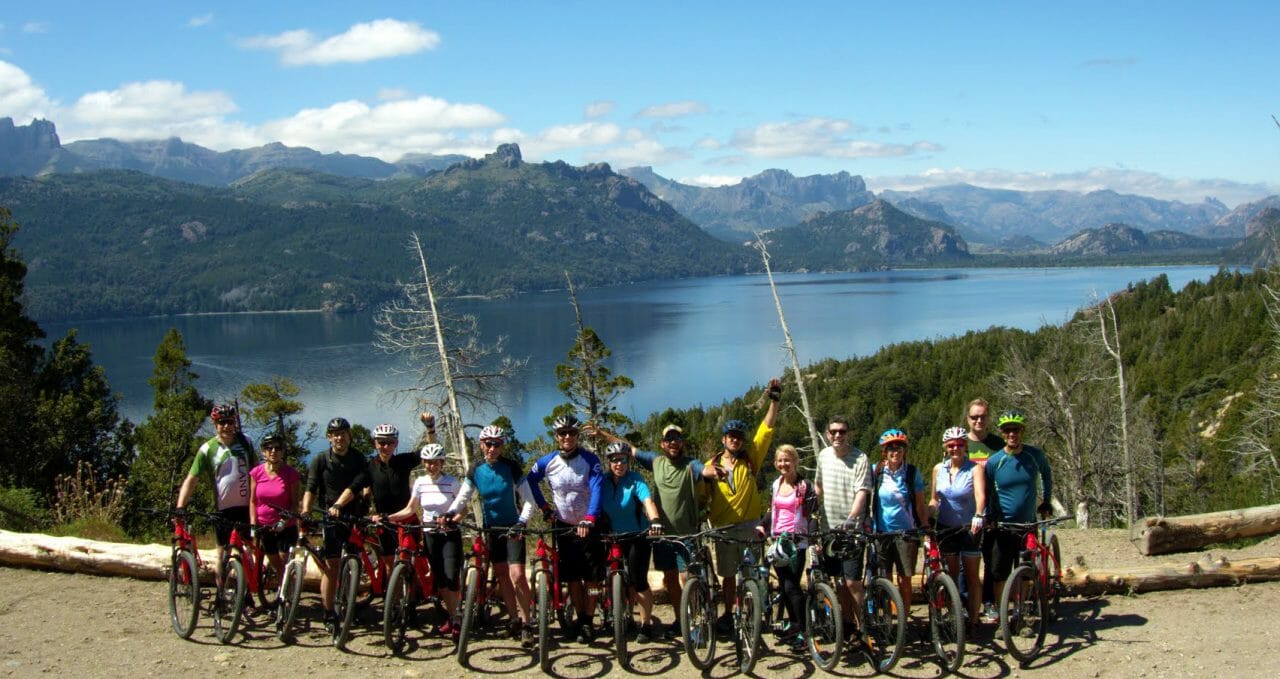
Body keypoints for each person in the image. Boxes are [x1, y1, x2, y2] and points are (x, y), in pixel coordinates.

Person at [586, 421, 712, 639]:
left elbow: (647, 500)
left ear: (682, 443)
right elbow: (626, 447)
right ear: (663, 444)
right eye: (669, 439)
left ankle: (690, 620)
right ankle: (678, 620)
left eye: (677, 439)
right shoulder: (656, 461)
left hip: (678, 533)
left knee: (684, 578)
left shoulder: (690, 464)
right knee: (669, 578)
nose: (673, 442)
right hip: (653, 536)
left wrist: (654, 519)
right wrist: (602, 434)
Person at [450, 424, 538, 647]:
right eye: (488, 444)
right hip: (491, 529)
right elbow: (464, 496)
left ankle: (528, 623)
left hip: (512, 526)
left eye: (497, 444)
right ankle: (514, 620)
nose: (492, 448)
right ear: (481, 444)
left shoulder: (511, 467)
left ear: (502, 446)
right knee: (501, 574)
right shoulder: (476, 469)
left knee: (517, 574)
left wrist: (521, 522)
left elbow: (529, 499)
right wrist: (450, 513)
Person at [705, 377, 782, 632]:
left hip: (749, 527)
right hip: (724, 528)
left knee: (751, 573)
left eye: (739, 437)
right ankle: (728, 613)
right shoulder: (710, 465)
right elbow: (699, 493)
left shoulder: (751, 459)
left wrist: (774, 401)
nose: (735, 440)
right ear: (724, 439)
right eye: (731, 436)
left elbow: (765, 430)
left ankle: (751, 613)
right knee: (727, 576)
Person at [526, 413, 606, 643]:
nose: (568, 436)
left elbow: (597, 489)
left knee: (591, 578)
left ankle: (589, 620)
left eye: (572, 432)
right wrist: (544, 508)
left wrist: (590, 518)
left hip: (589, 526)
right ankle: (580, 618)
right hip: (563, 526)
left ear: (577, 435)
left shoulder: (590, 460)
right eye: (563, 433)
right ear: (557, 437)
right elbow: (530, 480)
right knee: (572, 577)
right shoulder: (547, 462)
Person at [175, 404, 258, 588]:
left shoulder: (246, 442)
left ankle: (248, 594)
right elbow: (191, 479)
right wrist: (180, 507)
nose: (227, 426)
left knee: (247, 550)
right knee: (221, 552)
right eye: (222, 423)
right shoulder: (207, 449)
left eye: (230, 422)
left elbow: (257, 471)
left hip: (246, 507)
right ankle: (221, 592)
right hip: (223, 509)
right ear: (215, 424)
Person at [300, 416, 370, 631]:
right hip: (330, 516)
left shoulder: (358, 458)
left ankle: (349, 605)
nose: (339, 438)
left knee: (353, 564)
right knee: (331, 567)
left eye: (343, 433)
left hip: (353, 516)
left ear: (349, 436)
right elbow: (311, 487)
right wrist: (305, 511)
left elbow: (362, 483)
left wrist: (365, 503)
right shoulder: (321, 459)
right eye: (335, 434)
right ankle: (329, 612)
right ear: (329, 437)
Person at [388, 443, 464, 638]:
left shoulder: (452, 482)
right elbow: (411, 509)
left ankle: (457, 619)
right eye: (428, 463)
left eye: (436, 462)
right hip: (429, 534)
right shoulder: (420, 483)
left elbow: (463, 509)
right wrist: (389, 517)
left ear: (442, 462)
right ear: (423, 463)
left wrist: (451, 520)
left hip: (450, 534)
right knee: (440, 579)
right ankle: (452, 617)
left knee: (451, 576)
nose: (432, 466)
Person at [985, 410, 1054, 616]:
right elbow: (987, 491)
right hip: (1003, 525)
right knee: (1000, 573)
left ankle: (1021, 611)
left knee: (1025, 571)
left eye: (1015, 430)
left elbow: (1046, 475)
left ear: (1022, 431)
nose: (1012, 434)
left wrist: (1047, 500)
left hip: (1027, 524)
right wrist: (989, 515)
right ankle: (1002, 615)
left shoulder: (1034, 455)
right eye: (1007, 430)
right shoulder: (994, 461)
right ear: (1003, 434)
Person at [597, 442, 664, 643]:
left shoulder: (636, 479)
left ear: (628, 462)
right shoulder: (602, 481)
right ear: (609, 462)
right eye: (615, 460)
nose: (619, 464)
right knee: (605, 576)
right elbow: (593, 503)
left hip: (637, 536)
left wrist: (655, 521)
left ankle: (646, 625)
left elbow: (647, 502)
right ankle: (614, 613)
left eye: (623, 460)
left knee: (638, 580)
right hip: (611, 537)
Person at [813, 415, 872, 639]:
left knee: (852, 582)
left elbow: (862, 492)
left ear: (849, 434)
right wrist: (809, 507)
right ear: (828, 434)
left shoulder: (860, 459)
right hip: (828, 528)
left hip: (852, 531)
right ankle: (847, 624)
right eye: (834, 431)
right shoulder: (824, 456)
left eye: (842, 432)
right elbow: (818, 486)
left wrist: (852, 517)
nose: (838, 435)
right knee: (838, 581)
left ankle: (862, 626)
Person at [757, 444, 816, 654]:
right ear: (775, 463)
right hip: (778, 543)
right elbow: (773, 510)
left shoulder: (804, 486)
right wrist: (762, 525)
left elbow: (813, 513)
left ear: (795, 462)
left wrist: (813, 537)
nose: (783, 464)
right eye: (780, 460)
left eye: (787, 460)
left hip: (796, 542)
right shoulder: (776, 484)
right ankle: (792, 625)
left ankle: (803, 631)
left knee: (791, 587)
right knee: (784, 586)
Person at [928, 426, 987, 636]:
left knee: (971, 576)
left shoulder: (975, 469)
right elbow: (935, 498)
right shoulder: (938, 469)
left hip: (969, 527)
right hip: (946, 527)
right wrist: (927, 515)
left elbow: (980, 495)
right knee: (951, 576)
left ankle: (973, 620)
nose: (956, 448)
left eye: (960, 444)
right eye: (951, 445)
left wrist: (979, 514)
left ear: (966, 446)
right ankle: (955, 617)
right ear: (946, 447)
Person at [871, 428, 929, 617]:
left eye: (899, 448)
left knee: (905, 579)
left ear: (905, 451)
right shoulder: (876, 472)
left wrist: (926, 527)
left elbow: (920, 505)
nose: (895, 452)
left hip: (907, 533)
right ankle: (888, 615)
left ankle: (904, 617)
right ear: (884, 452)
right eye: (891, 449)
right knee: (885, 576)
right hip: (882, 533)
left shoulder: (912, 473)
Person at [366, 422, 435, 576]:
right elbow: (362, 490)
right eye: (382, 442)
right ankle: (394, 599)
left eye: (390, 443)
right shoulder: (370, 466)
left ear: (396, 443)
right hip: (384, 521)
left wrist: (430, 429)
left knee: (408, 560)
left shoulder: (403, 461)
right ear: (375, 443)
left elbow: (431, 450)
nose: (386, 446)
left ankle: (412, 593)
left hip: (407, 520)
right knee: (390, 563)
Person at [964, 398, 1005, 621]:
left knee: (991, 558)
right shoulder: (961, 444)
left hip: (994, 510)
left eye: (982, 416)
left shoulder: (998, 444)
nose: (979, 420)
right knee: (966, 560)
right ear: (967, 419)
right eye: (974, 417)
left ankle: (989, 602)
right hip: (966, 510)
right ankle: (966, 602)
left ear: (989, 418)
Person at [248, 431, 301, 596]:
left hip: (286, 526)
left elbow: (294, 504)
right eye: (269, 448)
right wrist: (253, 525)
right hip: (264, 526)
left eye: (277, 448)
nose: (273, 451)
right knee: (275, 561)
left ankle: (285, 594)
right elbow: (252, 501)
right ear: (263, 451)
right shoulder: (256, 473)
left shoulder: (291, 474)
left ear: (283, 451)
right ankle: (283, 587)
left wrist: (283, 522)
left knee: (284, 559)